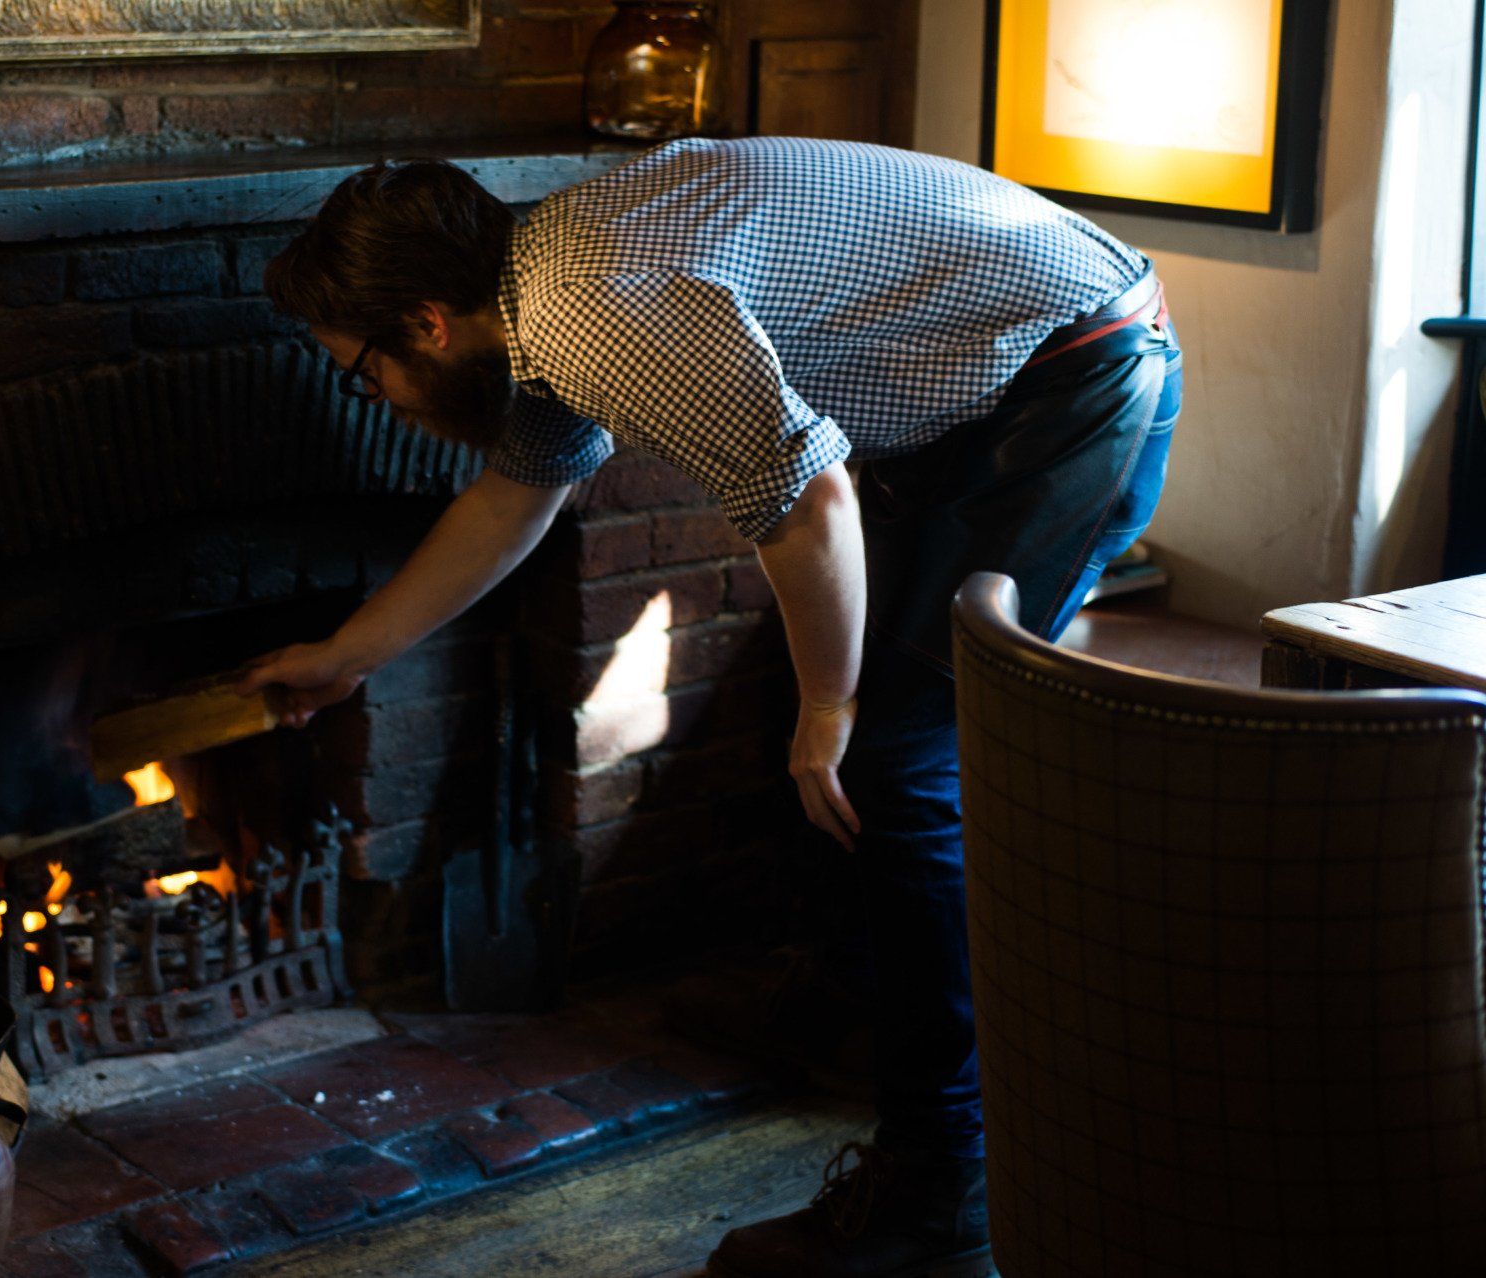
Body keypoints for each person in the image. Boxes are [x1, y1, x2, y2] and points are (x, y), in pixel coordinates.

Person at [236, 136, 1181, 1278]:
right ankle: (847, 1003)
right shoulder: (542, 287)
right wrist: (348, 654)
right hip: (984, 395)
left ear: (428, 323)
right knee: (845, 718)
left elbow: (808, 499)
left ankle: (946, 1195)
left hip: (1070, 381)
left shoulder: (596, 313)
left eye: (364, 370)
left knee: (893, 761)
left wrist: (829, 705)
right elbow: (513, 500)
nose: (376, 398)